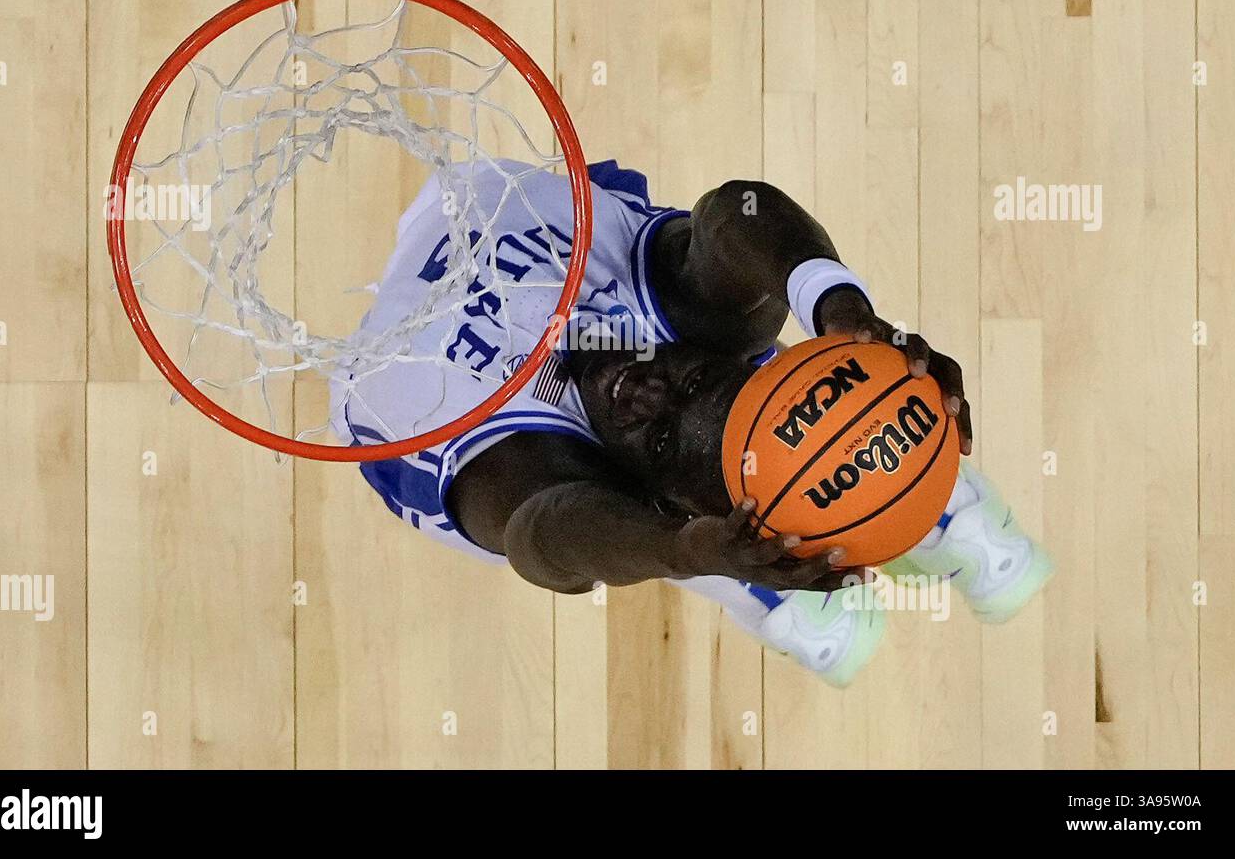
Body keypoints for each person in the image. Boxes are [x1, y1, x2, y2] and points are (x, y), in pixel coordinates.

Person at [332, 160, 1052, 686]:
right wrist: (840, 311)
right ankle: (868, 515)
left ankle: (836, 537)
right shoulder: (689, 312)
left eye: (663, 437)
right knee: (730, 521)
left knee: (691, 542)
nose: (650, 392)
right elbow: (733, 211)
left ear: (659, 490)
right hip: (472, 202)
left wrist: (683, 548)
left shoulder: (512, 458)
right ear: (729, 356)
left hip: (392, 374)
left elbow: (541, 530)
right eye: (693, 380)